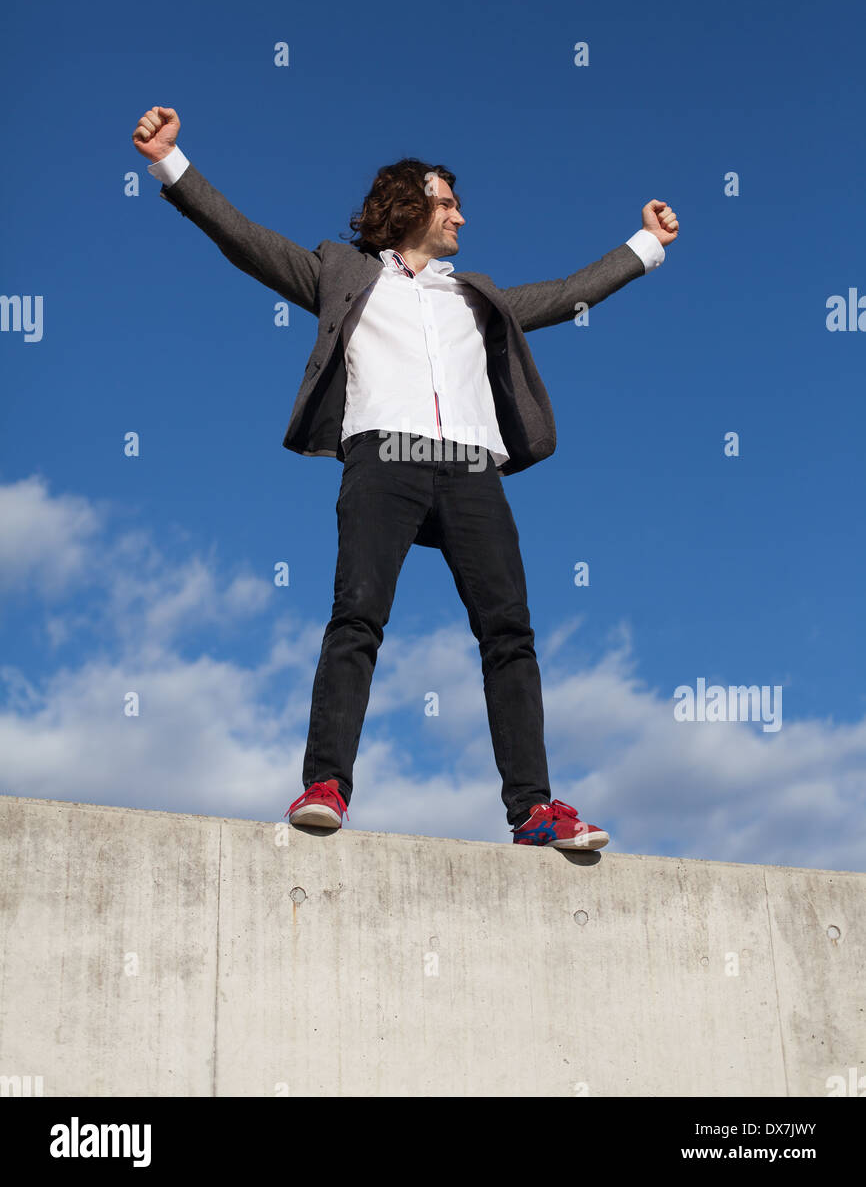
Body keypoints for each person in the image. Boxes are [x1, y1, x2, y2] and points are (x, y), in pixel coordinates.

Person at [132, 105, 679, 849]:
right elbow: (245, 239)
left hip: (470, 472)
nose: (462, 215)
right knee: (357, 619)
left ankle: (534, 811)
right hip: (382, 462)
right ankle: (325, 785)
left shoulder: (473, 298)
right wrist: (172, 163)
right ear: (410, 208)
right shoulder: (342, 275)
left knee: (509, 634)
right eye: (449, 202)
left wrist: (645, 243)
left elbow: (564, 293)